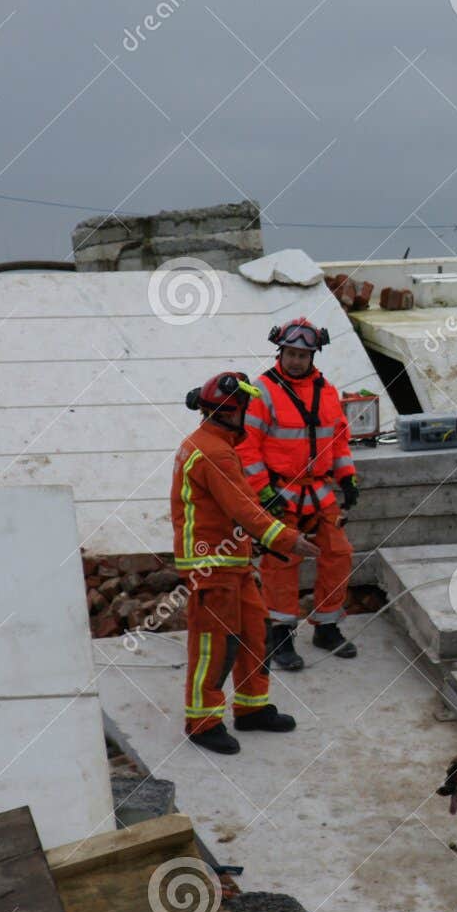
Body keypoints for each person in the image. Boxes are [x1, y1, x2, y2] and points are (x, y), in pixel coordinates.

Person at [173, 371, 319, 755]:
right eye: (245, 410)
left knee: (256, 633)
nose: (250, 416)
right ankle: (202, 722)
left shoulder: (215, 444)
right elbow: (244, 511)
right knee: (214, 646)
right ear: (228, 411)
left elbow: (244, 506)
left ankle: (252, 708)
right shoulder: (214, 452)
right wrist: (290, 540)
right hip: (211, 566)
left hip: (230, 561)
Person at [238, 316, 360, 669]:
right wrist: (264, 492)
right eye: (290, 353)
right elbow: (247, 448)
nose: (296, 360)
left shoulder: (328, 392)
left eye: (302, 355)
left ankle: (326, 626)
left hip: (319, 491)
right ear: (281, 352)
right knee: (281, 562)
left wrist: (347, 477)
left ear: (313, 356)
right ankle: (281, 635)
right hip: (281, 491)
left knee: (339, 552)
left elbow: (338, 441)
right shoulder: (262, 391)